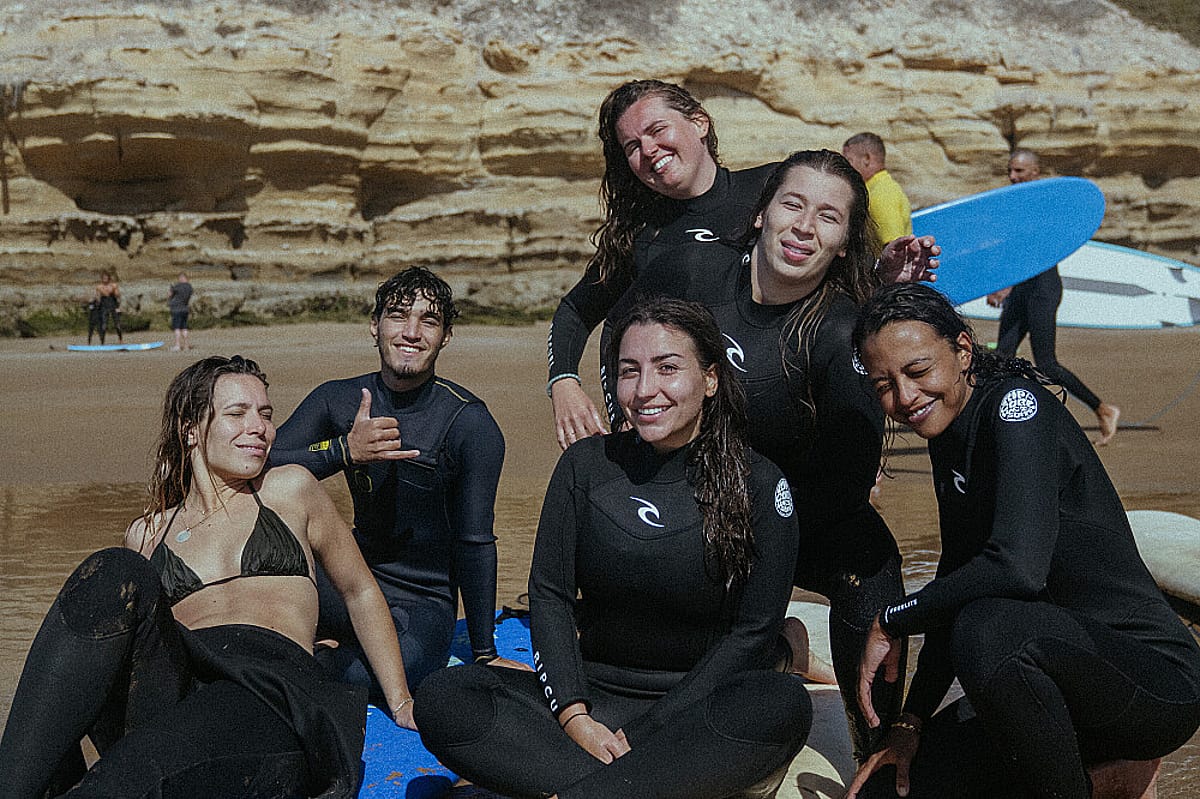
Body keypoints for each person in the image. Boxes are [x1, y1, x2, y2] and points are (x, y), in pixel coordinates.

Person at [415, 297, 812, 798]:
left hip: (696, 717)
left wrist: (650, 730)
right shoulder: (586, 467)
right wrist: (574, 715)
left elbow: (753, 633)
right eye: (629, 371)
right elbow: (550, 596)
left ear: (710, 379)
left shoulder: (758, 482)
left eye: (668, 368)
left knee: (782, 703)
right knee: (445, 696)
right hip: (593, 702)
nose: (646, 390)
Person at [0, 355, 416, 799]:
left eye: (266, 414)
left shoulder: (289, 489)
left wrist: (401, 700)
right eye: (237, 413)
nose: (259, 427)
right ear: (191, 428)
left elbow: (360, 591)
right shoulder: (147, 532)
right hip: (179, 690)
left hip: (267, 688)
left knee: (132, 774)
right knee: (115, 571)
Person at [846, 283, 1200, 799]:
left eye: (918, 371)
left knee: (987, 628)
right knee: (886, 790)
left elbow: (1016, 566)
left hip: (1150, 683)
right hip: (1055, 687)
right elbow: (958, 576)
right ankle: (1113, 780)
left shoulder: (1017, 408)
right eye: (884, 385)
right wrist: (912, 722)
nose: (904, 398)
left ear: (963, 349)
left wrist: (895, 617)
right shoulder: (949, 431)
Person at [623, 149, 910, 762]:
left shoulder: (838, 334)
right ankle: (781, 649)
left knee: (871, 573)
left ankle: (875, 753)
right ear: (761, 213)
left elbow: (848, 487)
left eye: (829, 217)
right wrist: (622, 408)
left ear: (843, 243)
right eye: (793, 204)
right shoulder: (696, 273)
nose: (805, 226)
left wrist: (760, 556)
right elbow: (627, 330)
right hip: (696, 502)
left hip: (802, 520)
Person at [547, 78, 939, 449]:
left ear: (699, 122)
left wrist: (880, 277)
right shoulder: (638, 234)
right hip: (700, 426)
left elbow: (837, 287)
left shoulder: (773, 192)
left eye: (656, 130)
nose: (648, 150)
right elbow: (590, 315)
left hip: (791, 411)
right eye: (631, 146)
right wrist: (567, 384)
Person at [273, 266, 523, 699]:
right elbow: (263, 465)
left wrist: (483, 651)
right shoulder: (337, 398)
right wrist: (343, 451)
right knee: (253, 614)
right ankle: (319, 645)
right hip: (346, 578)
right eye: (398, 315)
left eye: (428, 320)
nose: (411, 332)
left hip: (420, 598)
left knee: (383, 676)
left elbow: (475, 541)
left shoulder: (470, 423)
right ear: (375, 326)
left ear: (445, 336)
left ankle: (321, 655)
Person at [986, 148, 1121, 445]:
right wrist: (998, 281)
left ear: (1036, 172)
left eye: (1019, 171)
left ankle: (1102, 409)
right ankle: (999, 423)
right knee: (1000, 359)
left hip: (1042, 291)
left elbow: (1039, 252)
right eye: (1010, 170)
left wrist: (1006, 285)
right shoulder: (1018, 203)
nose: (1012, 176)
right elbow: (1013, 251)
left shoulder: (1044, 205)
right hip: (1022, 289)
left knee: (1046, 364)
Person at [842, 132, 913, 247]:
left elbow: (895, 247)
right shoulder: (881, 188)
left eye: (849, 161)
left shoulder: (881, 194)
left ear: (866, 159)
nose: (845, 168)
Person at [93, 270, 122, 345]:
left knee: (117, 325)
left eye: (106, 277)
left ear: (109, 278)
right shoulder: (99, 287)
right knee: (104, 326)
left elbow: (118, 295)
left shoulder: (113, 285)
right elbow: (97, 297)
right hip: (104, 307)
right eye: (103, 278)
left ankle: (120, 339)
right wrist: (97, 300)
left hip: (113, 305)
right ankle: (102, 342)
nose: (105, 279)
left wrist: (114, 291)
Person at [169, 272, 194, 351]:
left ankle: (177, 345)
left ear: (182, 278)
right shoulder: (189, 287)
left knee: (177, 328)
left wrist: (171, 289)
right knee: (184, 327)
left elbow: (170, 294)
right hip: (185, 309)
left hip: (177, 309)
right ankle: (186, 345)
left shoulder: (177, 286)